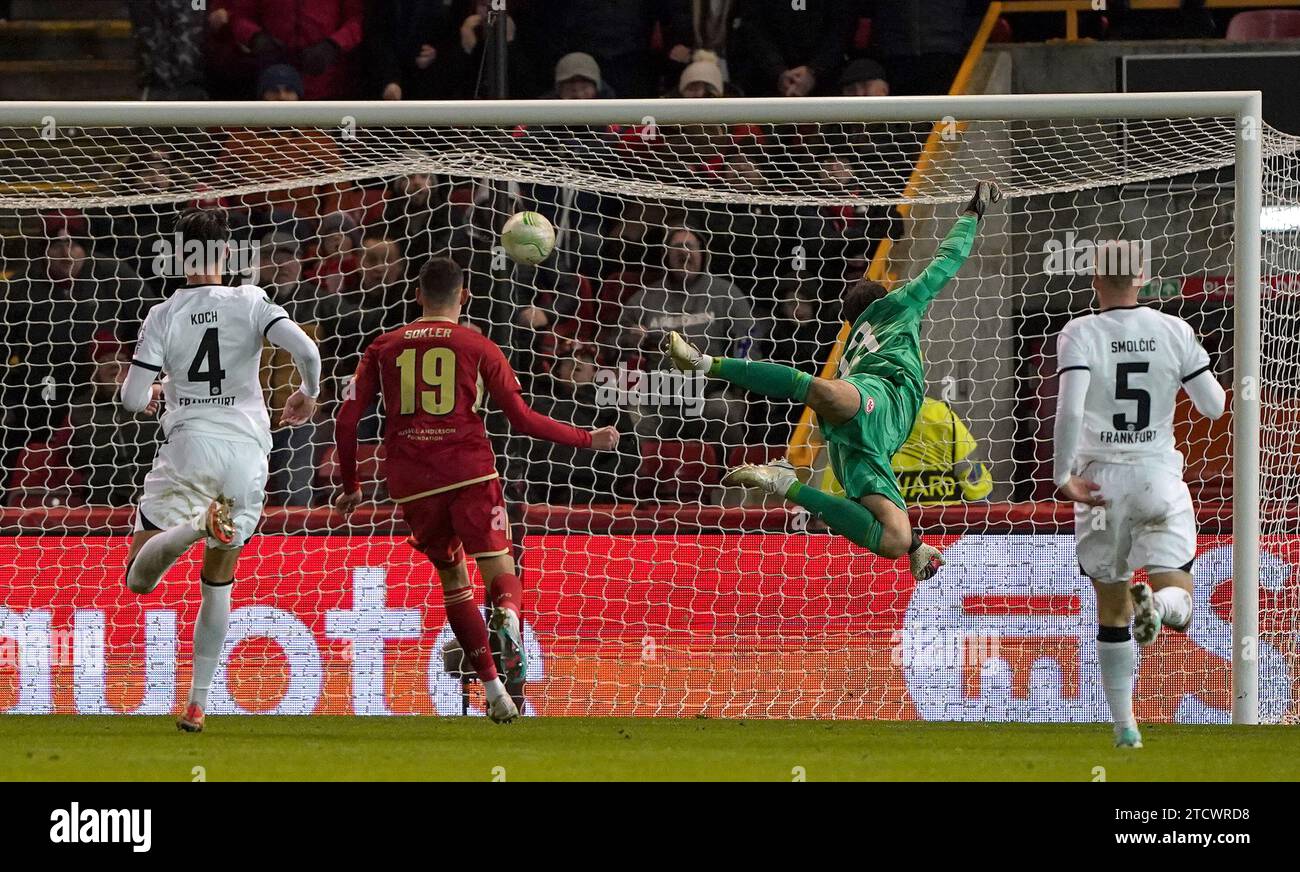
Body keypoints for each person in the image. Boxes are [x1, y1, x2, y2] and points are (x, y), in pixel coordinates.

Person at [663, 181, 1001, 581]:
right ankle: (704, 362)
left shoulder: (847, 352)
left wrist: (916, 547)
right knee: (825, 391)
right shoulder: (898, 306)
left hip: (862, 443)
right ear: (882, 297)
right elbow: (947, 258)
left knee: (896, 539)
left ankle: (785, 483)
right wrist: (972, 213)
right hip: (880, 399)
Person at [332, 257, 619, 723]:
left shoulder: (383, 346)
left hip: (412, 482)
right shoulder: (479, 346)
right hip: (469, 472)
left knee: (454, 582)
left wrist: (351, 484)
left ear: (418, 295)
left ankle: (495, 692)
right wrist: (588, 438)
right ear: (464, 296)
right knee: (500, 568)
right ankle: (507, 614)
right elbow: (522, 419)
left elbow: (346, 421)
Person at [118, 207, 322, 733]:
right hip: (247, 455)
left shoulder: (162, 315)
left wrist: (159, 389)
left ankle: (192, 527)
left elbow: (131, 399)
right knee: (218, 584)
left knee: (139, 578)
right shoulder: (251, 300)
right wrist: (308, 392)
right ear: (227, 253)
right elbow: (306, 350)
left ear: (177, 256)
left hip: (190, 448)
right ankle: (197, 702)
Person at [1052, 240, 1226, 750]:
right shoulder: (1175, 330)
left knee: (1112, 612)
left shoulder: (1079, 332)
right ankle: (1161, 605)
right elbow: (1213, 406)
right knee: (1182, 601)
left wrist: (1063, 476)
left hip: (1100, 485)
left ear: (1094, 280)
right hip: (1156, 478)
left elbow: (1070, 409)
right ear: (1143, 278)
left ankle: (1126, 727)